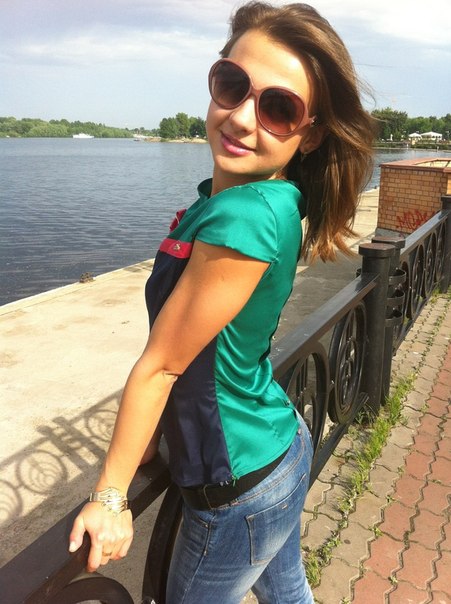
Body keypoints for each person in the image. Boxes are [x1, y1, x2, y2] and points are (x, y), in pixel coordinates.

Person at [69, 2, 375, 602]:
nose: (239, 117)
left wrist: (110, 496)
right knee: (289, 594)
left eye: (278, 108)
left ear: (310, 133)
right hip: (276, 449)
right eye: (232, 85)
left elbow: (163, 364)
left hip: (239, 484)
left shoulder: (245, 215)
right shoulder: (258, 198)